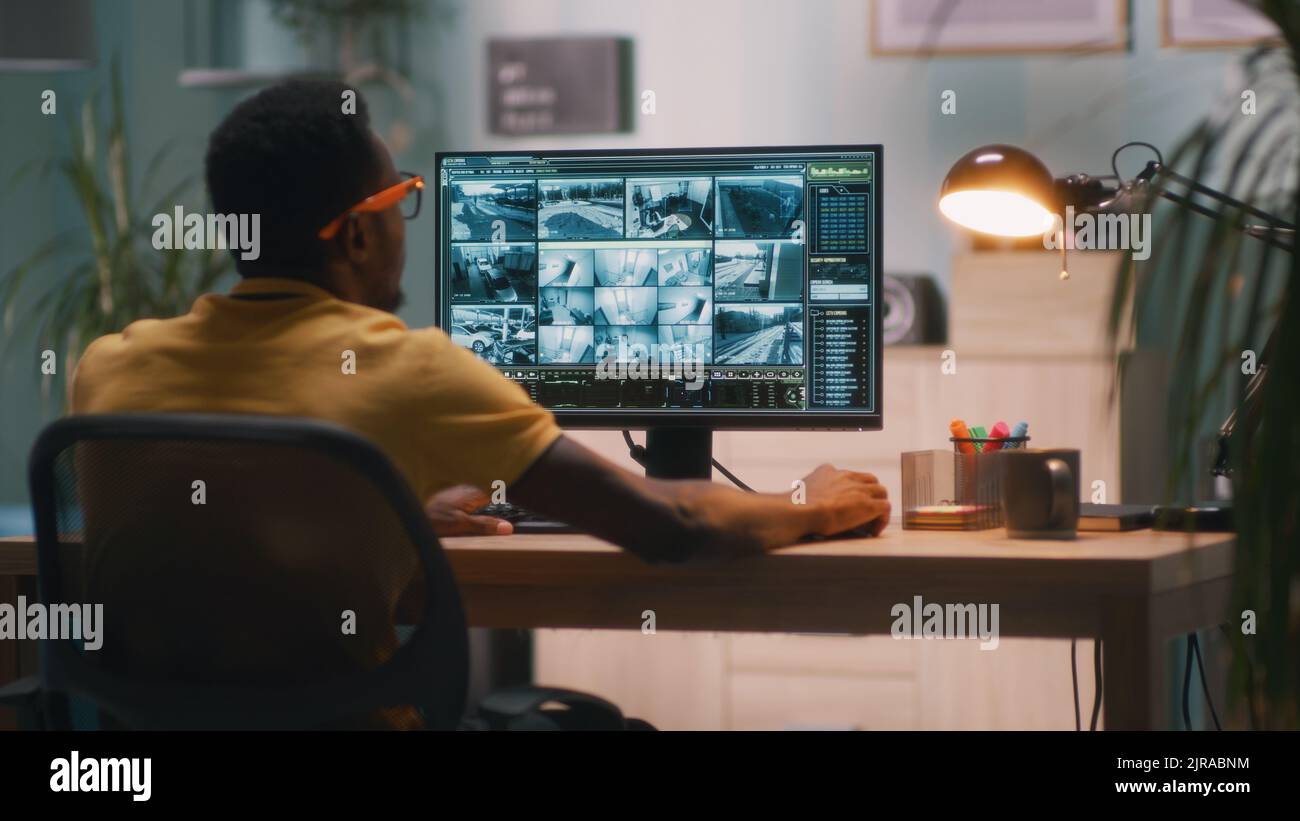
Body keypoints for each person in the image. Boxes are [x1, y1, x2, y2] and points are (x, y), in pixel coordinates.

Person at [72, 79, 890, 566]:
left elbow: (227, 547)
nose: (407, 221)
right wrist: (808, 503)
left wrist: (387, 509)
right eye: (403, 200)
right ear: (357, 231)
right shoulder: (409, 369)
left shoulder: (107, 368)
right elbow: (667, 525)